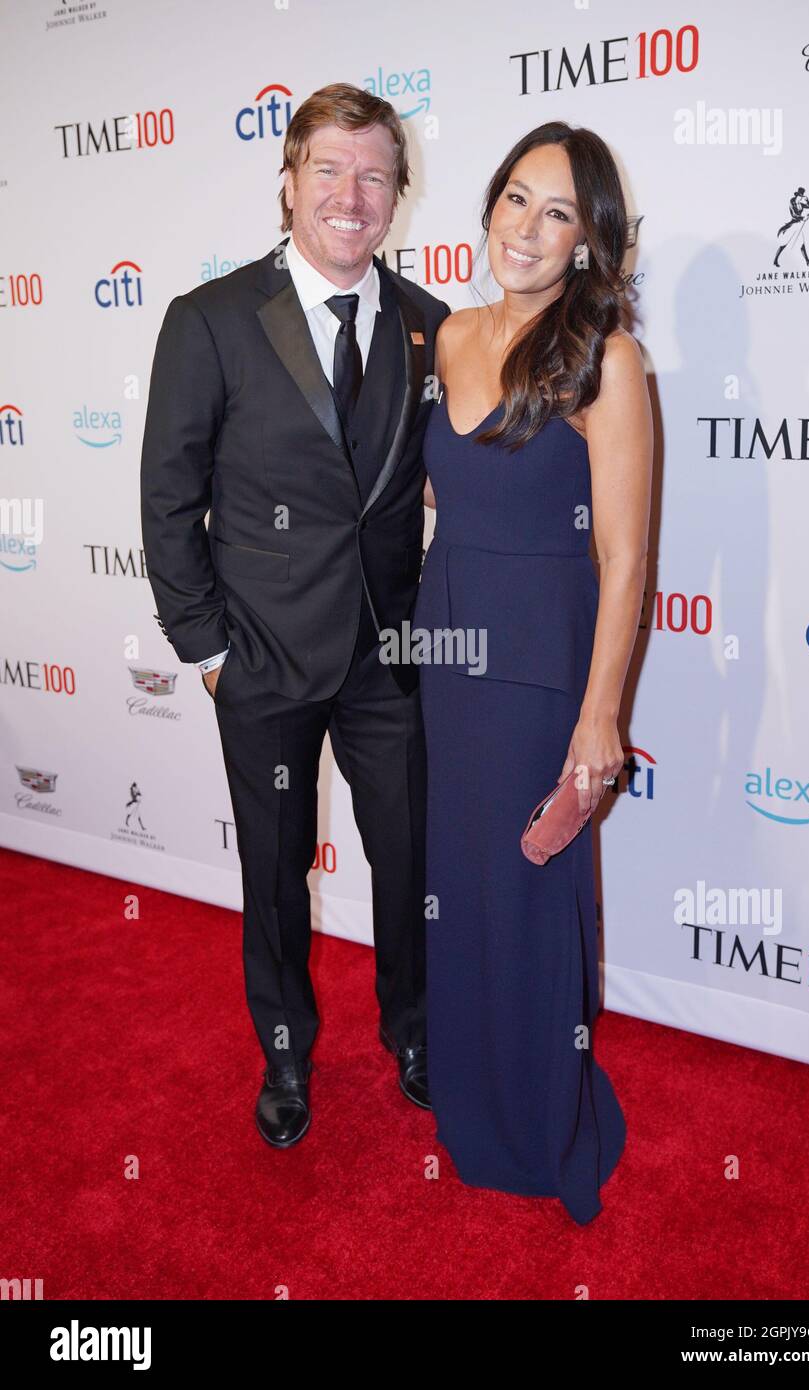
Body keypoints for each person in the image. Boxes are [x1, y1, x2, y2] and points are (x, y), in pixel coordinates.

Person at [140, 84, 450, 1148]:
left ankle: (416, 1032)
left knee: (411, 862)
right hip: (262, 660)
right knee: (272, 874)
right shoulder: (210, 320)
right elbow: (169, 497)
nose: (349, 195)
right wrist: (210, 650)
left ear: (397, 196)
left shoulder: (428, 326)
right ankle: (283, 1053)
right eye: (327, 168)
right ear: (287, 182)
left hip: (391, 661)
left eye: (372, 174)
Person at [415, 122, 653, 1225]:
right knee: (460, 881)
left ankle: (539, 1110)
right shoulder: (445, 335)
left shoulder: (606, 357)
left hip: (542, 669)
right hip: (447, 650)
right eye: (516, 197)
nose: (527, 226)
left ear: (586, 241)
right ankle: (470, 1094)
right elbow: (437, 498)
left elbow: (623, 554)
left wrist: (600, 714)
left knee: (525, 878)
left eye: (557, 212)